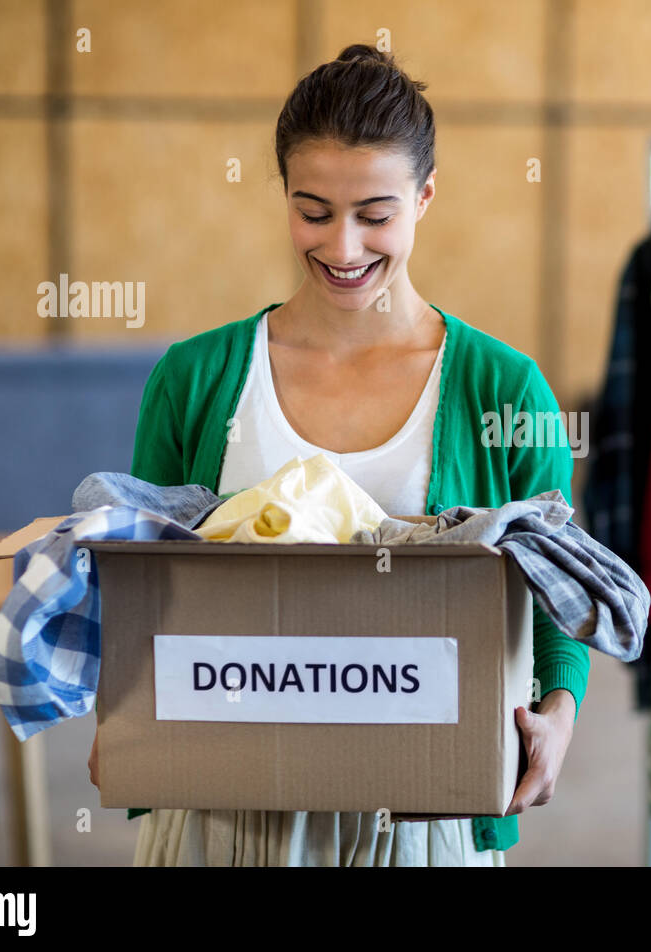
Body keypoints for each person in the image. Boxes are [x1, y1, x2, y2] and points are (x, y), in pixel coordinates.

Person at [87, 43, 589, 866]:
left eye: (376, 214)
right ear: (284, 194)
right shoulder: (196, 377)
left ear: (426, 198)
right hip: (225, 810)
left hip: (427, 815)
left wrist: (558, 714)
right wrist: (123, 711)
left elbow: (557, 588)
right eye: (313, 211)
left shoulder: (506, 389)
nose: (344, 247)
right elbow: (140, 580)